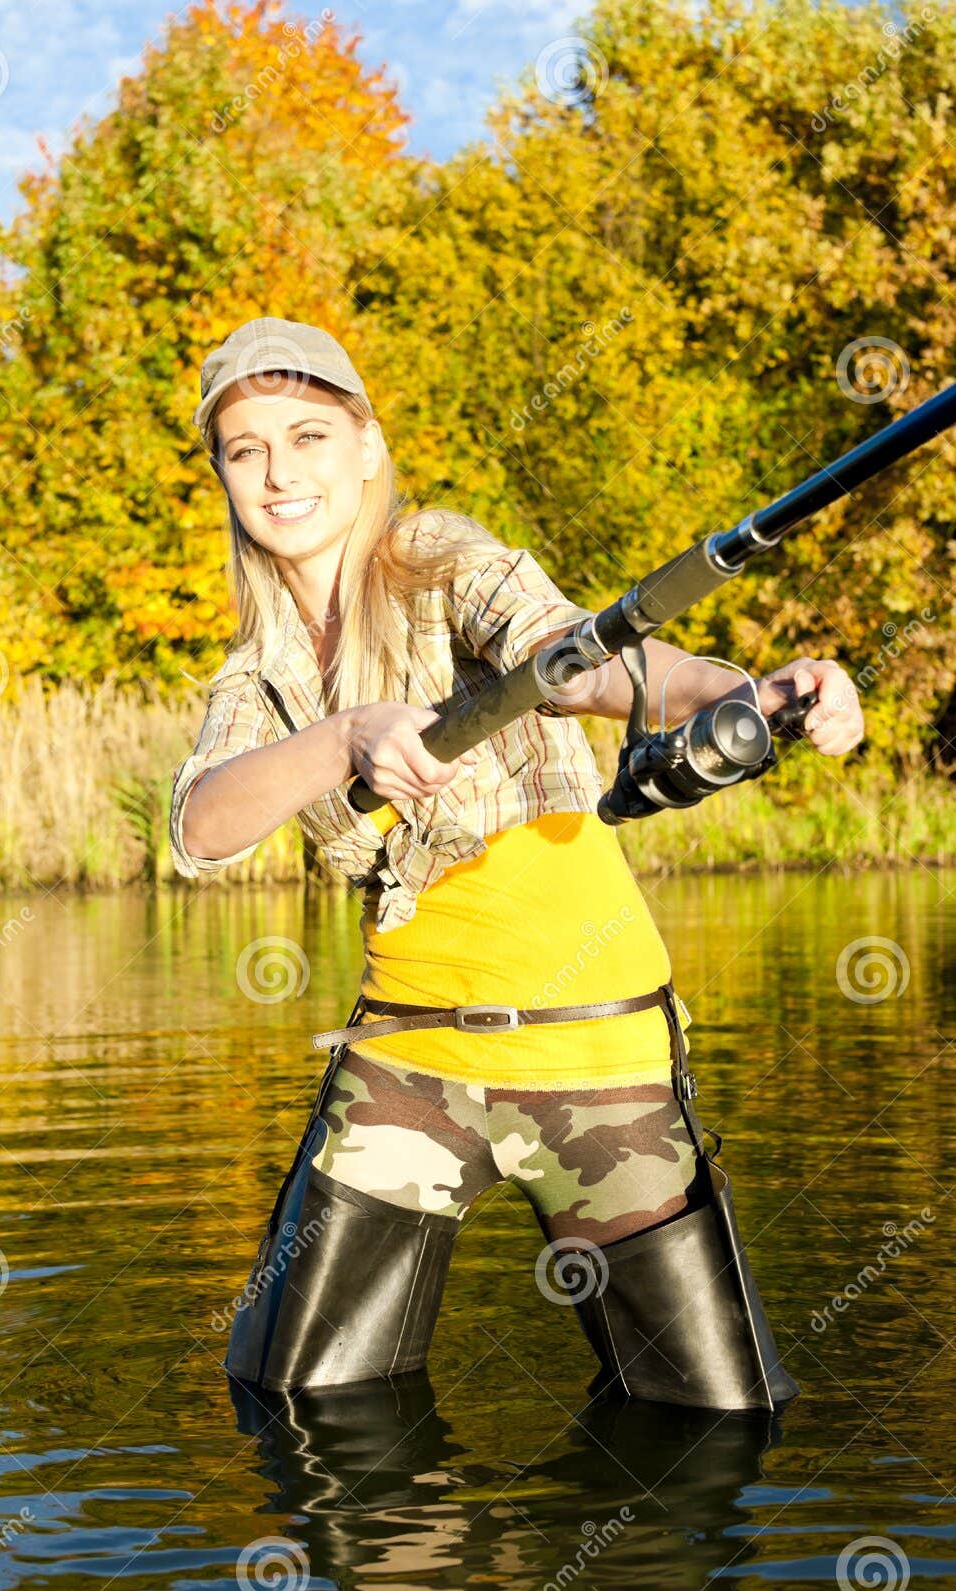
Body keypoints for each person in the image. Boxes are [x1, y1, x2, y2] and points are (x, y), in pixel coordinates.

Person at [169, 318, 864, 1412]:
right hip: (404, 1064)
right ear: (222, 475)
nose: (278, 471)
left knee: (713, 1422)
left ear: (363, 446)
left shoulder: (444, 559)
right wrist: (345, 737)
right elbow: (202, 827)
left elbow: (587, 666)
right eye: (245, 448)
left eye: (307, 436)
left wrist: (743, 694)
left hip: (596, 1051)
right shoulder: (253, 677)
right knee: (293, 1399)